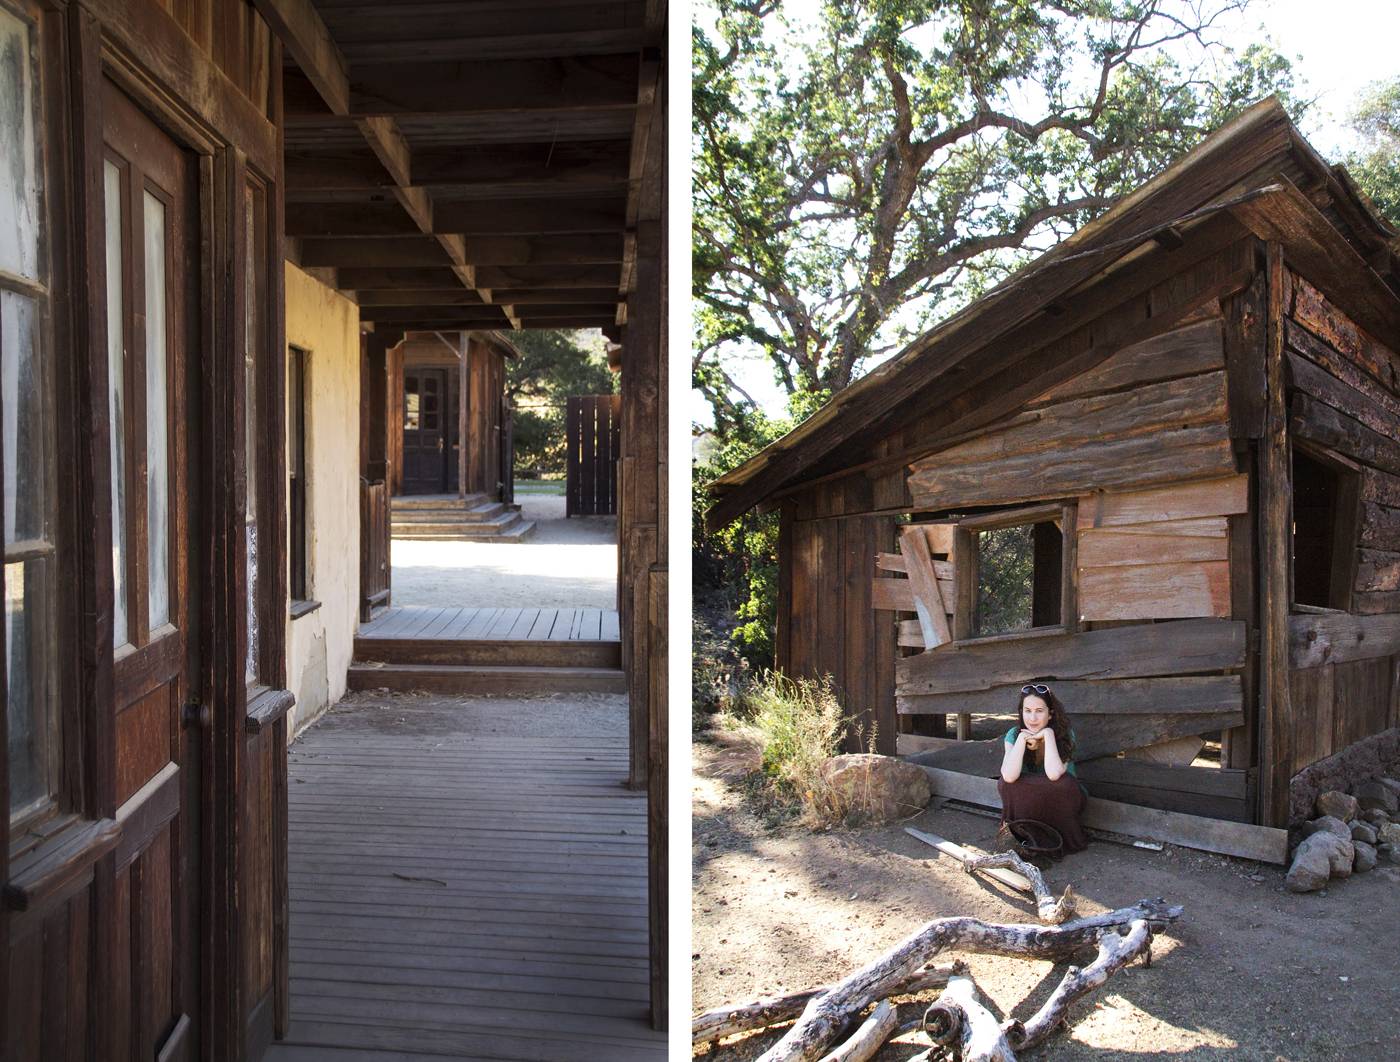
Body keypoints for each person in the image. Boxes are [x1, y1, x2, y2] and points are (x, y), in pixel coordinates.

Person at [997, 683, 1089, 854]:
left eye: (1039, 711)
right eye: (1027, 711)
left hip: (1061, 796)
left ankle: (1060, 839)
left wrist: (1048, 734)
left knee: (1063, 784)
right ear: (1021, 712)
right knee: (1005, 783)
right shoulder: (1013, 734)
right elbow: (1009, 776)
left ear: (1050, 713)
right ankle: (1021, 835)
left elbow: (1054, 775)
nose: (1032, 718)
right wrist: (1022, 739)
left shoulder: (1065, 734)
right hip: (1030, 797)